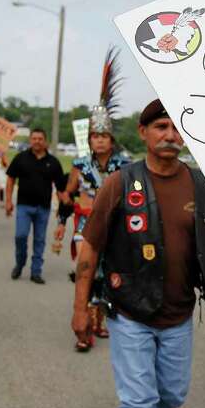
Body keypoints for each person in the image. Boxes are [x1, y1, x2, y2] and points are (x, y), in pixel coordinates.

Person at [72, 99, 205, 408]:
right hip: (130, 314)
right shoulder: (120, 184)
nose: (170, 136)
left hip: (177, 316)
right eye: (161, 127)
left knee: (171, 395)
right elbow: (91, 249)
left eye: (177, 129)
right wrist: (80, 308)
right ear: (143, 132)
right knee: (139, 400)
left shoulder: (199, 186)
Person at [54, 49, 130, 349]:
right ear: (89, 140)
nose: (99, 140)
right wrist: (61, 224)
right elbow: (68, 196)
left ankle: (99, 322)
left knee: (107, 273)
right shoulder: (80, 166)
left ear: (111, 139)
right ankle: (82, 327)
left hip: (114, 228)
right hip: (85, 225)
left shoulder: (123, 165)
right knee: (87, 272)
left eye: (104, 136)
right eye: (94, 136)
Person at [6, 128, 66, 283]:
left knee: (39, 240)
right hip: (23, 206)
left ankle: (36, 271)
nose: (37, 141)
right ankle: (19, 263)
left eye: (40, 138)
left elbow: (60, 189)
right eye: (34, 138)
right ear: (30, 140)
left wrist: (62, 210)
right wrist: (7, 201)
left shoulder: (53, 162)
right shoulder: (21, 158)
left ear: (45, 141)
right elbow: (11, 179)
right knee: (21, 236)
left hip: (43, 208)